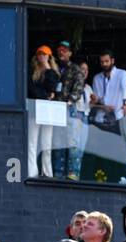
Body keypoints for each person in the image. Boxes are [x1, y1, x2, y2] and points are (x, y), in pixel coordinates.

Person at [51, 41, 87, 179]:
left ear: (70, 53)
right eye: (59, 50)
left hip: (70, 110)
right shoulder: (54, 68)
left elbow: (79, 87)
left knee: (72, 143)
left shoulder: (76, 69)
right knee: (57, 143)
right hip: (55, 111)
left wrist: (70, 101)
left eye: (64, 50)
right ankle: (58, 173)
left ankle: (73, 174)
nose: (61, 52)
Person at [27, 46, 60, 179]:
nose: (41, 57)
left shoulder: (52, 72)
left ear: (49, 56)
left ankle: (47, 172)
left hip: (47, 111)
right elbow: (31, 89)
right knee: (32, 142)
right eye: (39, 54)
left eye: (44, 55)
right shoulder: (33, 72)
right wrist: (45, 95)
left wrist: (47, 67)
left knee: (46, 144)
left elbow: (53, 89)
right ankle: (32, 172)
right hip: (35, 109)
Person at [89, 50, 126, 133]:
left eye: (106, 61)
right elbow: (97, 100)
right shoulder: (97, 78)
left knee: (118, 144)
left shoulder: (122, 74)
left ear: (112, 61)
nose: (104, 64)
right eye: (102, 62)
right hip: (101, 118)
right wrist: (96, 100)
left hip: (118, 117)